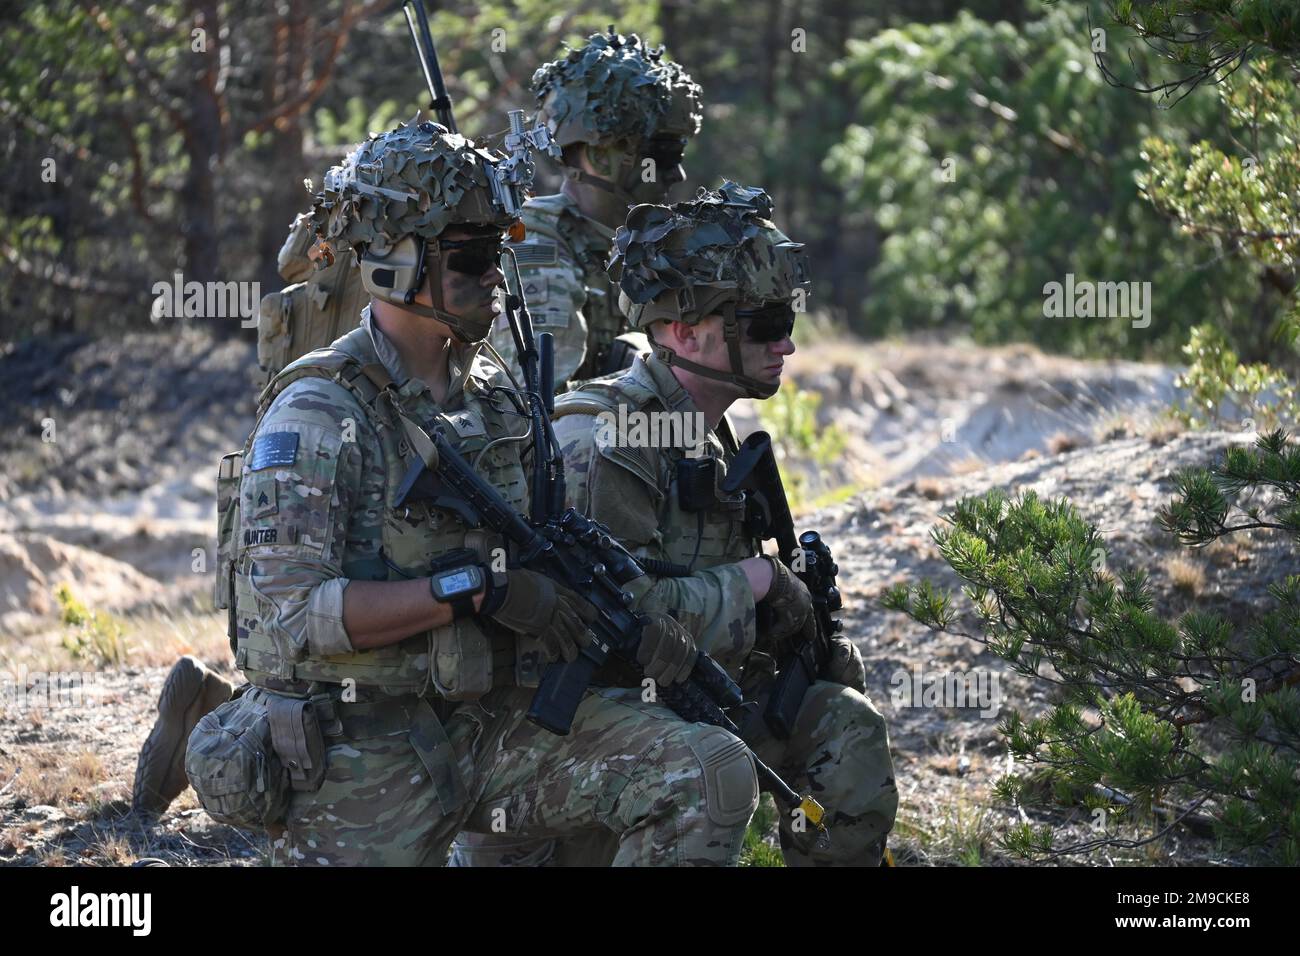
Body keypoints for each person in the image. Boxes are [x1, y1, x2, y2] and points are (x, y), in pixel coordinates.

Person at [180, 121, 759, 865]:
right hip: (363, 746)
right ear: (395, 263)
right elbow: (297, 619)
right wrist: (475, 590)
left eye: (501, 252)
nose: (496, 275)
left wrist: (624, 623)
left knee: (706, 771)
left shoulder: (499, 398)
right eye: (475, 257)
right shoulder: (320, 412)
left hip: (495, 725)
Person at [454, 183, 898, 866]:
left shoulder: (701, 433)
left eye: (788, 322)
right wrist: (753, 584)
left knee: (843, 724)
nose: (785, 344)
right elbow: (612, 627)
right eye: (763, 324)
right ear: (684, 331)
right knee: (704, 767)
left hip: (669, 704)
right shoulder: (608, 438)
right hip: (565, 742)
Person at [488, 29, 703, 383]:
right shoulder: (536, 245)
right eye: (665, 155)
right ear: (601, 158)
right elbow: (544, 408)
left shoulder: (641, 247)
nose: (677, 174)